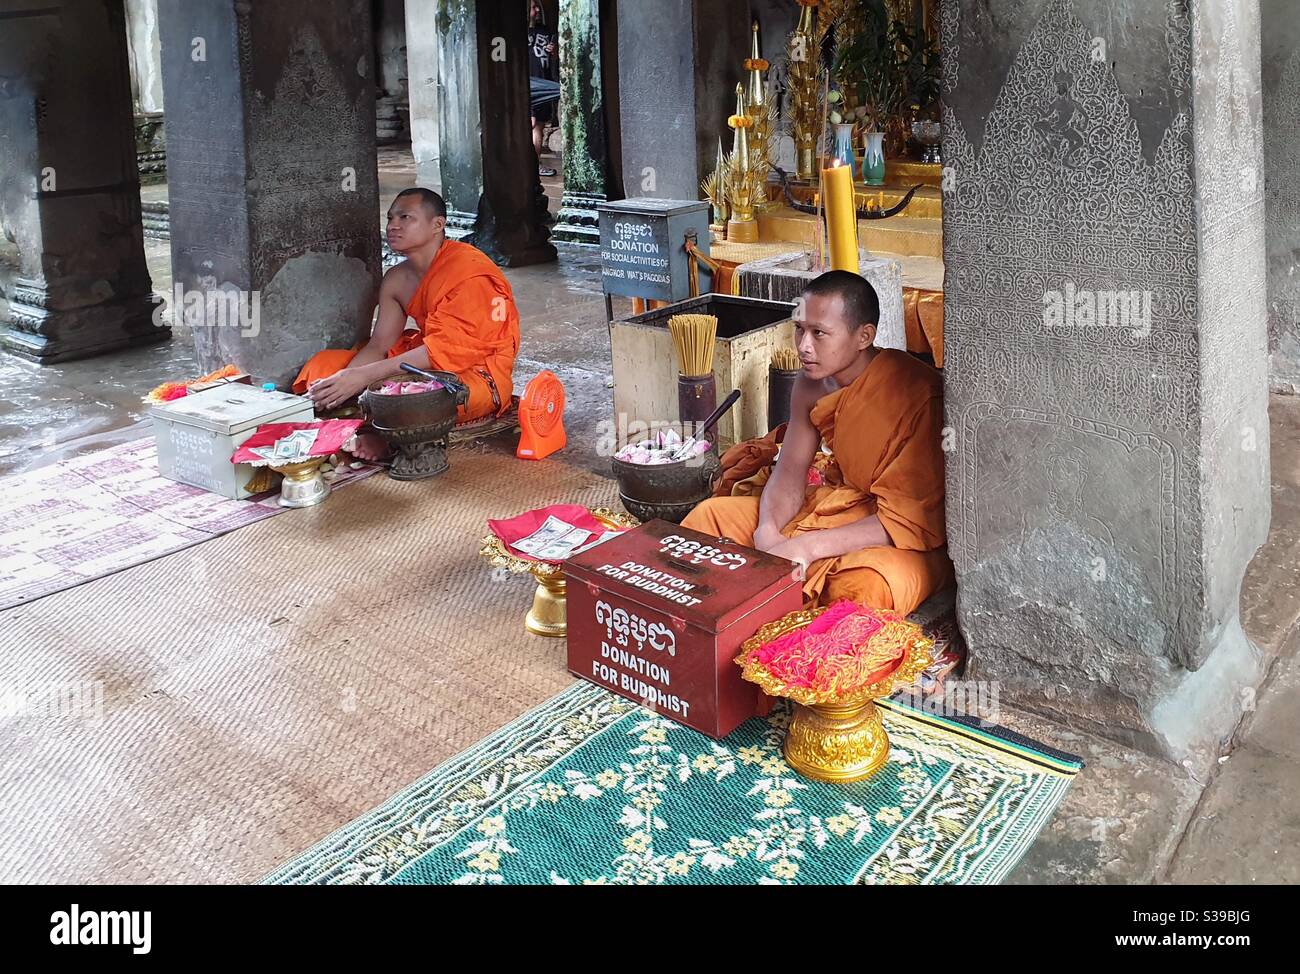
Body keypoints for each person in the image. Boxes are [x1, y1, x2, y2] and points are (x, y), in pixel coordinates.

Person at [681, 270, 953, 615]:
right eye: (800, 329)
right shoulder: (811, 384)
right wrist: (768, 532)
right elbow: (789, 474)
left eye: (819, 333)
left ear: (863, 336)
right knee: (708, 520)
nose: (803, 347)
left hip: (898, 537)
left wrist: (806, 547)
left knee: (864, 587)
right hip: (832, 507)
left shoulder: (917, 393)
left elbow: (908, 519)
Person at [293, 188, 520, 461]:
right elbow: (380, 345)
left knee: (420, 398)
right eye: (390, 218)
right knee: (326, 367)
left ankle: (387, 440)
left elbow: (440, 352)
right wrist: (348, 383)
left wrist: (365, 379)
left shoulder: (469, 272)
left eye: (405, 217)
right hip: (423, 361)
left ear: (437, 225)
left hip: (474, 375)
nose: (393, 226)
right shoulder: (397, 279)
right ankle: (366, 420)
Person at [528, 0, 559, 178]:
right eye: (534, 7)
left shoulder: (547, 32)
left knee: (537, 125)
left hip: (544, 83)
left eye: (538, 7)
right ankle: (530, 166)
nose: (537, 10)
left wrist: (554, 52)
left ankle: (534, 165)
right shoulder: (515, 32)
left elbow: (554, 59)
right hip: (527, 84)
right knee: (532, 124)